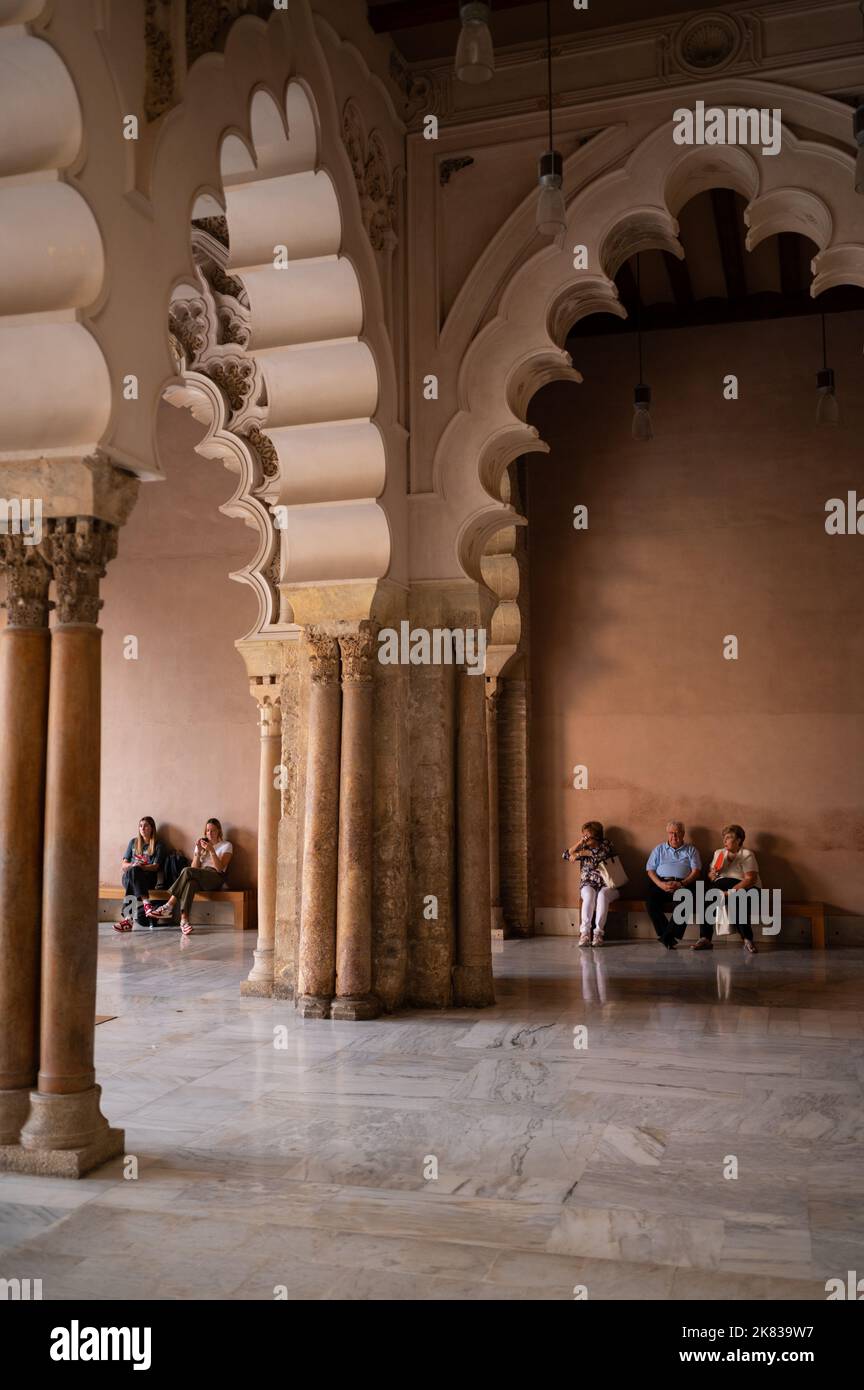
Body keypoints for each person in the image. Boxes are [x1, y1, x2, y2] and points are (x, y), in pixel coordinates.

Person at [147, 818, 232, 937]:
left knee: (187, 871)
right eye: (207, 830)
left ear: (219, 831)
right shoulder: (202, 845)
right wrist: (198, 852)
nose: (209, 833)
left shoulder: (226, 845)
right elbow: (194, 868)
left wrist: (212, 851)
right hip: (199, 875)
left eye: (213, 830)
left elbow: (220, 868)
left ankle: (169, 905)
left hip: (215, 877)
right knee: (190, 883)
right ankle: (184, 920)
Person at [692, 824, 761, 954]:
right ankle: (705, 938)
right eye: (724, 837)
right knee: (705, 896)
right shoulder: (719, 853)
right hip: (720, 886)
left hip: (744, 888)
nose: (724, 841)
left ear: (739, 840)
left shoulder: (746, 854)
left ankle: (747, 940)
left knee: (740, 900)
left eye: (728, 837)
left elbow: (750, 879)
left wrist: (730, 893)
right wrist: (711, 875)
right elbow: (711, 876)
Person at [645, 820, 701, 949]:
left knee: (687, 901)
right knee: (650, 900)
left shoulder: (691, 850)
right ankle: (668, 936)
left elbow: (696, 871)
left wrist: (682, 883)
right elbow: (650, 870)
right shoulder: (659, 849)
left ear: (683, 834)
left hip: (683, 883)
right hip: (661, 883)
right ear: (667, 834)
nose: (674, 836)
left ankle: (666, 937)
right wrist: (660, 884)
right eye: (671, 833)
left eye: (677, 833)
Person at [565, 821, 618, 948]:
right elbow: (566, 855)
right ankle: (585, 933)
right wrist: (579, 843)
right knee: (589, 895)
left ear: (597, 836)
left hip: (608, 884)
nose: (585, 838)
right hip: (588, 883)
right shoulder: (584, 847)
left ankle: (598, 933)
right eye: (584, 835)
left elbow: (598, 856)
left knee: (602, 896)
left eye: (587, 835)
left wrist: (579, 854)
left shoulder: (606, 845)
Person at [114, 816, 165, 931]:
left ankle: (128, 919)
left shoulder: (158, 845)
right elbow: (124, 865)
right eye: (140, 826)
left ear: (152, 828)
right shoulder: (133, 842)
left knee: (135, 872)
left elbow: (155, 867)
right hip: (128, 877)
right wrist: (133, 865)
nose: (142, 828)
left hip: (148, 879)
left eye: (146, 826)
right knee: (133, 870)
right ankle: (146, 904)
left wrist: (141, 867)